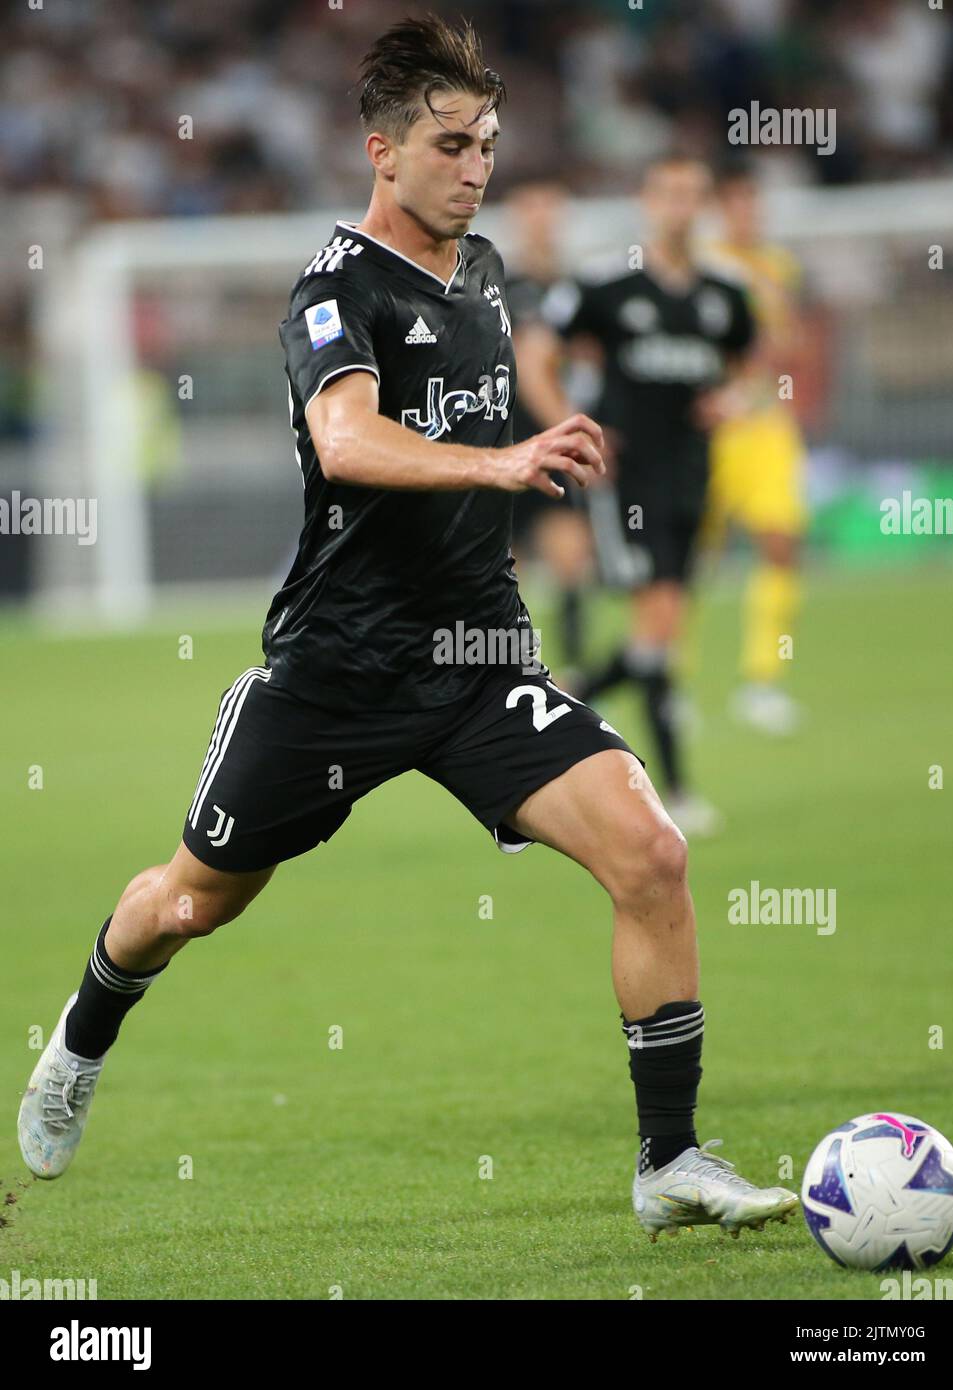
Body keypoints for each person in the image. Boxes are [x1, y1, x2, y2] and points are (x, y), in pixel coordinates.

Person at [19, 17, 797, 1241]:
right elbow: (344, 440)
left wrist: (552, 456)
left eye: (487, 142)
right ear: (383, 151)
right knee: (187, 904)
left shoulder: (487, 272)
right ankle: (79, 1035)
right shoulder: (335, 289)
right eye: (450, 144)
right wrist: (497, 466)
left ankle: (671, 1160)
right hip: (336, 672)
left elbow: (517, 396)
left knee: (653, 854)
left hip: (480, 659)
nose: (474, 166)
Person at [518, 155, 757, 837]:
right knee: (657, 627)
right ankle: (674, 792)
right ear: (646, 201)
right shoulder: (605, 284)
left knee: (660, 634)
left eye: (691, 194)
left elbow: (747, 365)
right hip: (624, 484)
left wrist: (732, 398)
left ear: (703, 204)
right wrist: (567, 426)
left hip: (691, 479)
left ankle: (562, 699)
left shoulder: (723, 292)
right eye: (667, 194)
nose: (679, 206)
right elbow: (534, 352)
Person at [702, 164, 809, 735]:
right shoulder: (702, 266)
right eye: (738, 203)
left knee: (781, 543)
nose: (749, 214)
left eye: (755, 204)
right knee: (689, 561)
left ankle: (763, 681)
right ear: (721, 208)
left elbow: (788, 345)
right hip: (711, 431)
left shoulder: (778, 268)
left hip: (765, 426)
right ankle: (668, 683)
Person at [504, 178, 594, 687]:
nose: (542, 216)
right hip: (507, 443)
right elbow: (529, 362)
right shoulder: (503, 284)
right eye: (531, 205)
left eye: (550, 206)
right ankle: (500, 671)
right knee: (500, 568)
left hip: (558, 446)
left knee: (572, 561)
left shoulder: (577, 287)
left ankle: (575, 676)